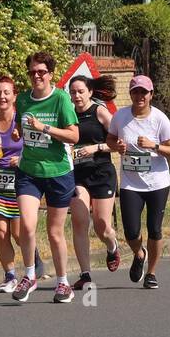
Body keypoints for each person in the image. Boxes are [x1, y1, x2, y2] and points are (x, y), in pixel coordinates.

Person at [10, 52, 79, 303]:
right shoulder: (24, 100)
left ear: (50, 74)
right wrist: (19, 133)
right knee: (27, 226)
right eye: (32, 72)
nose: (36, 76)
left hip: (58, 172)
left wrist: (44, 128)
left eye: (41, 72)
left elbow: (74, 136)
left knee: (54, 232)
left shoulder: (60, 99)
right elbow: (21, 125)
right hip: (29, 171)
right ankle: (29, 276)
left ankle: (63, 283)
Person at [107, 75, 170, 288]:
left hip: (157, 183)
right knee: (131, 231)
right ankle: (139, 253)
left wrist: (154, 146)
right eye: (136, 92)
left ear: (151, 95)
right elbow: (110, 139)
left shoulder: (159, 119)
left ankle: (151, 273)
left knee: (154, 229)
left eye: (144, 92)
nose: (140, 96)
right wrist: (116, 146)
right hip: (131, 183)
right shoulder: (120, 117)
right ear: (130, 94)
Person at [0, 75, 42, 292]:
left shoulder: (23, 120)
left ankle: (32, 262)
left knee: (18, 233)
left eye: (6, 92)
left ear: (14, 96)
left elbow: (38, 148)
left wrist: (22, 158)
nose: (1, 96)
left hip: (21, 181)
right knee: (1, 231)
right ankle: (10, 276)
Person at [68, 75, 121, 291]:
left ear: (90, 92)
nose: (76, 96)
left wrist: (95, 148)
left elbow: (118, 143)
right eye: (73, 92)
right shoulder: (68, 114)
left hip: (101, 172)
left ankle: (112, 246)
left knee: (102, 225)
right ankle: (85, 275)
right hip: (78, 175)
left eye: (80, 91)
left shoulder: (99, 111)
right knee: (79, 220)